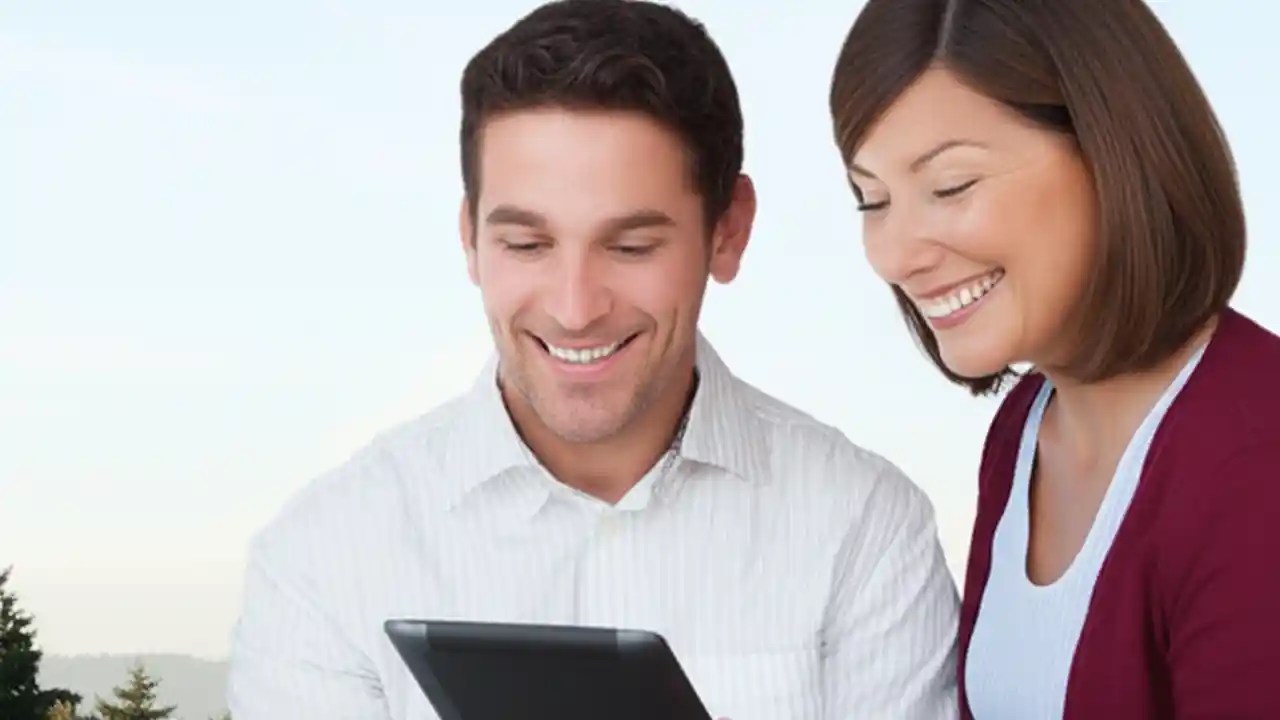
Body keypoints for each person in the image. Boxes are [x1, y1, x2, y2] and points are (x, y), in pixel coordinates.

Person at [226, 2, 959, 718]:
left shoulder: (865, 533)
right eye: (526, 244)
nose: (575, 308)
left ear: (728, 232)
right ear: (470, 239)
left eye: (631, 246)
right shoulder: (321, 560)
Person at [827, 0, 1280, 717]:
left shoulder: (1257, 459)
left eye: (951, 186)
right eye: (871, 199)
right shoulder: (1022, 431)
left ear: (1110, 151)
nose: (895, 254)